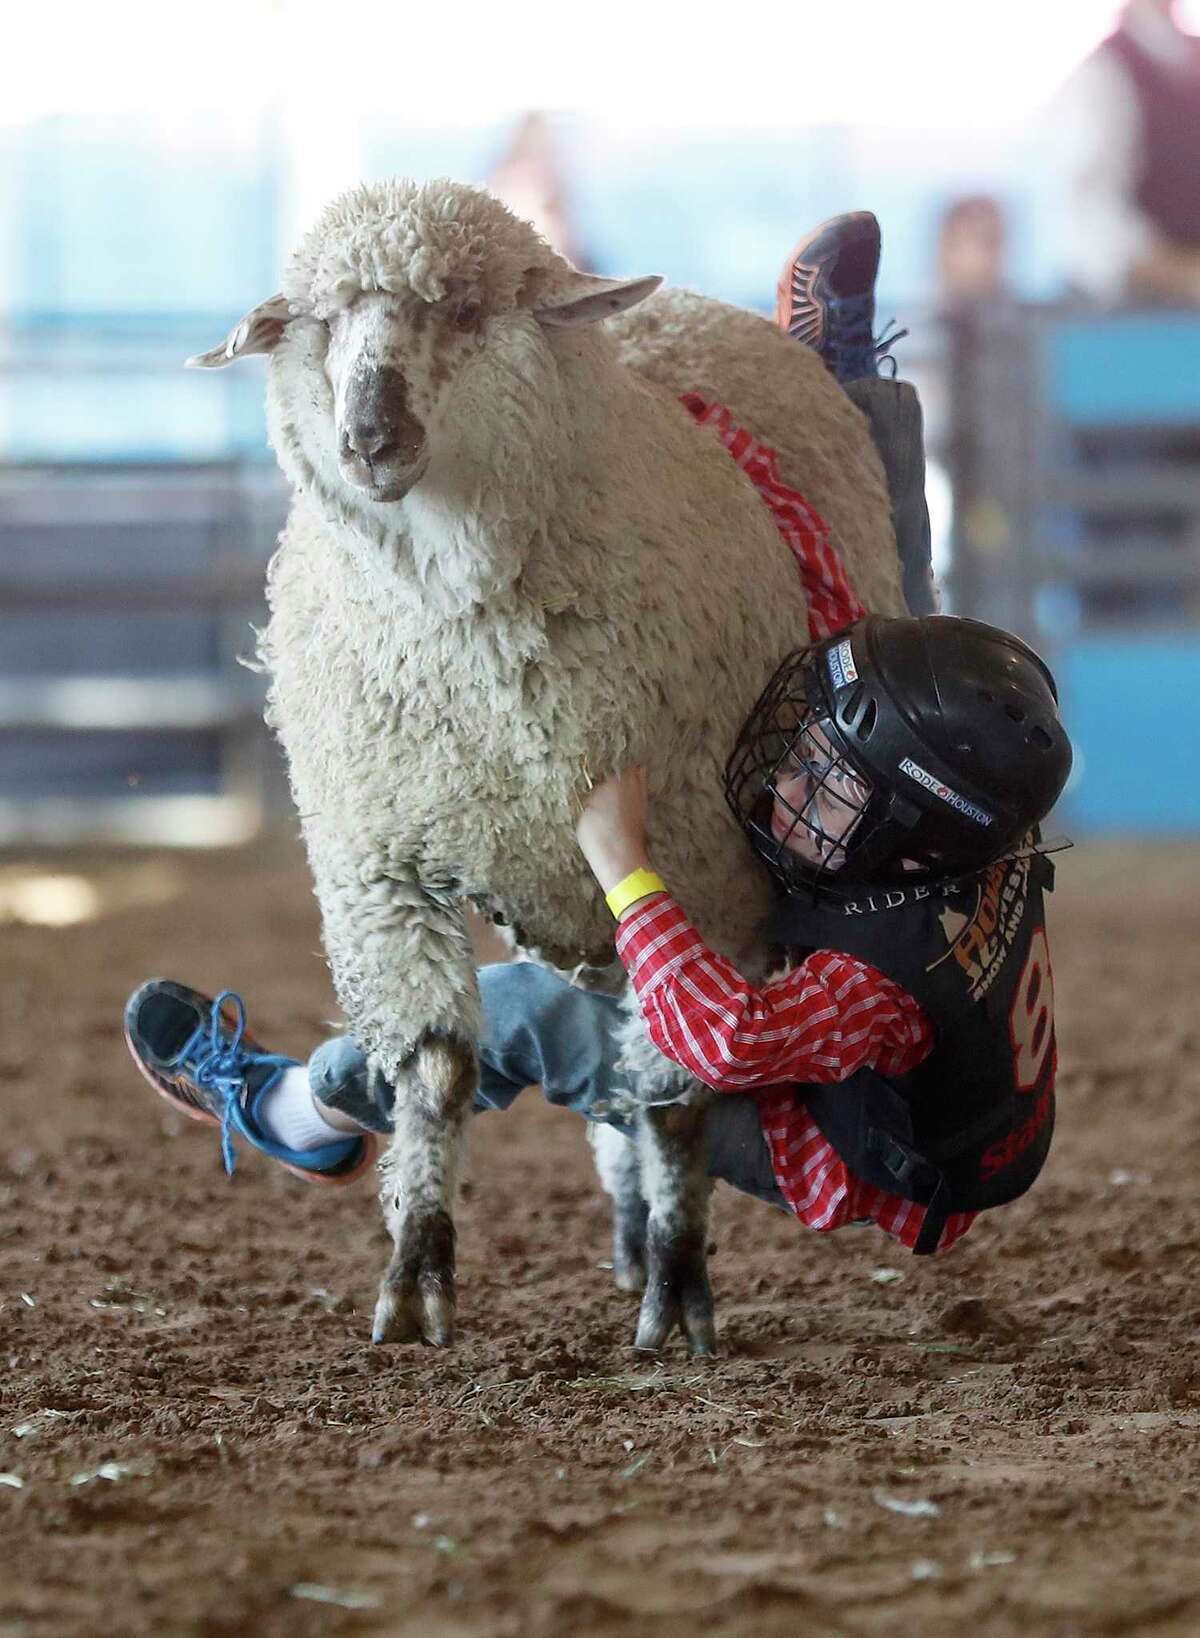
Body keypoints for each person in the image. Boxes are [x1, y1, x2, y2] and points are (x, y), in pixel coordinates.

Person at [124, 216, 1073, 1256]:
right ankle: (839, 378)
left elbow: (721, 1033)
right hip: (954, 1095)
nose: (809, 777)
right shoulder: (968, 832)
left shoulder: (872, 975)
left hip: (854, 1155)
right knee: (902, 636)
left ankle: (295, 1110)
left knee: (541, 1014)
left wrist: (627, 874)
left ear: (915, 830)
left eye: (844, 790)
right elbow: (886, 674)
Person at [1056, 0, 1200, 306]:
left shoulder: (1190, 56)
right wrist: (1172, 270)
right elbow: (1094, 210)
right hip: (1142, 314)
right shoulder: (1106, 71)